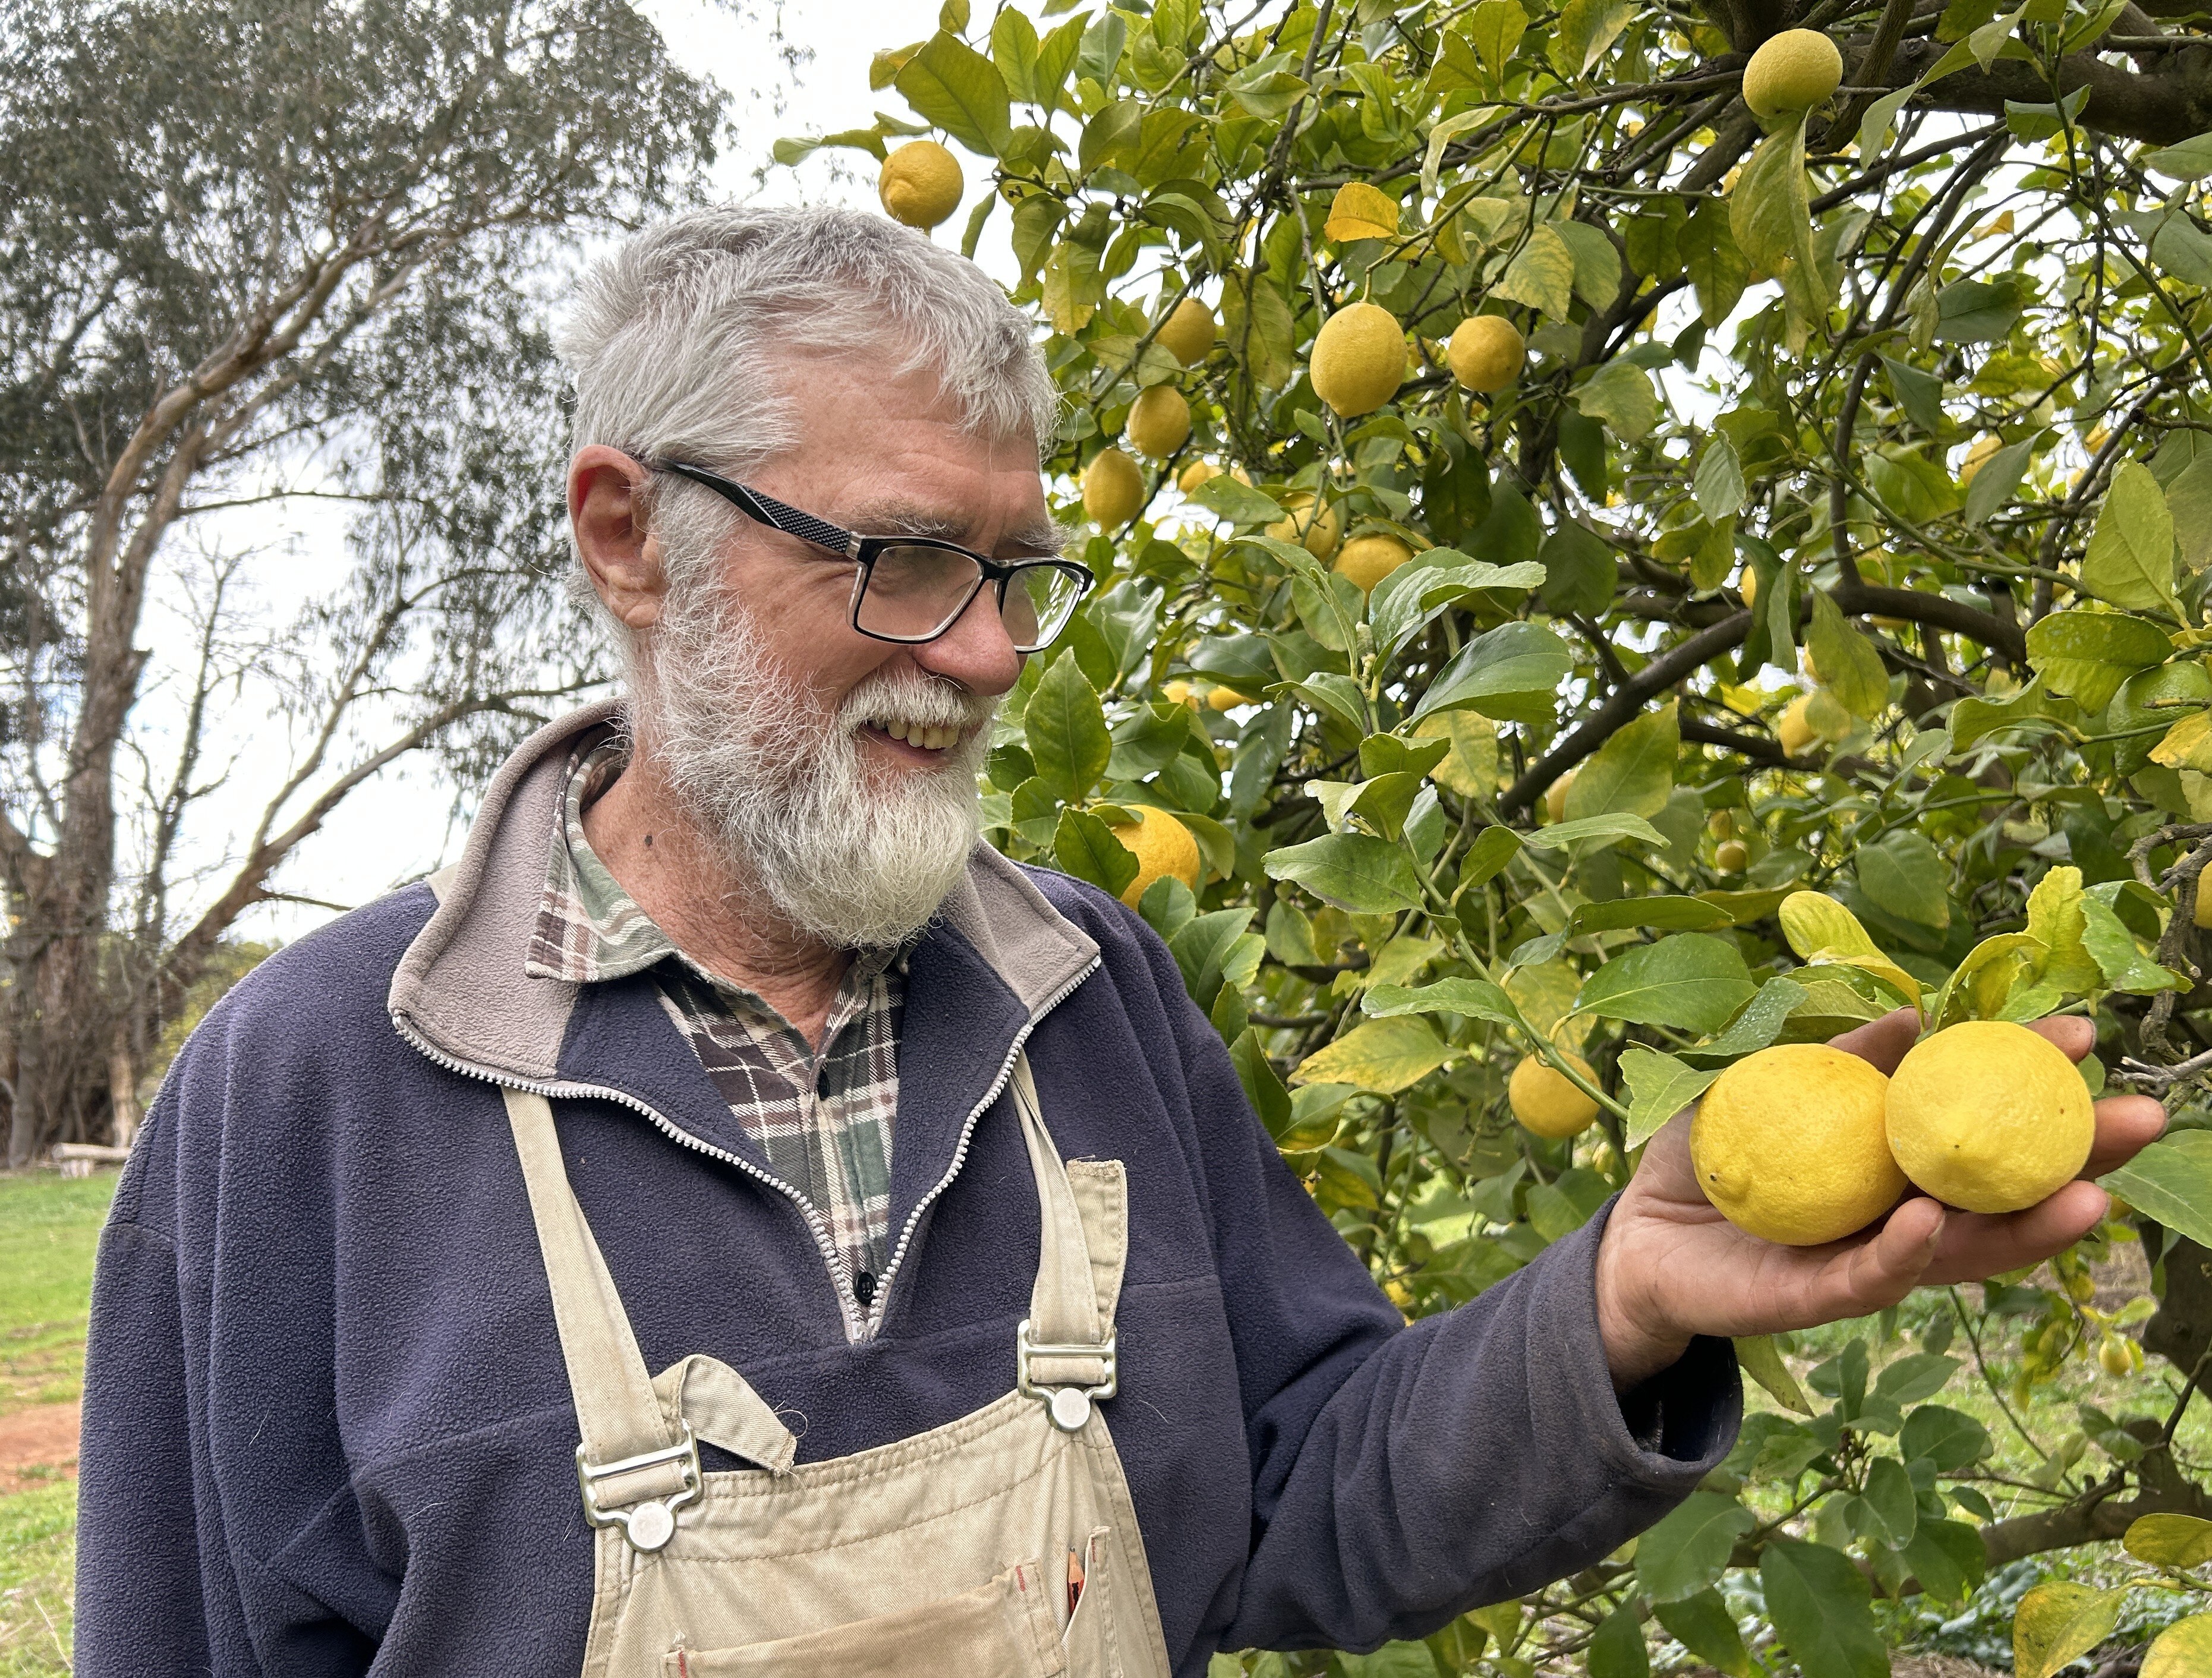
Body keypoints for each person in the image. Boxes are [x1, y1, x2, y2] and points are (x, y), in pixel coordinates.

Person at [72, 204, 2165, 1677]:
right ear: (628, 535)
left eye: (1015, 570)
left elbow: (1290, 1494)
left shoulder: (1083, 998)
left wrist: (1617, 1303)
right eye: (902, 560)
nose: (981, 654)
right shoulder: (311, 1092)